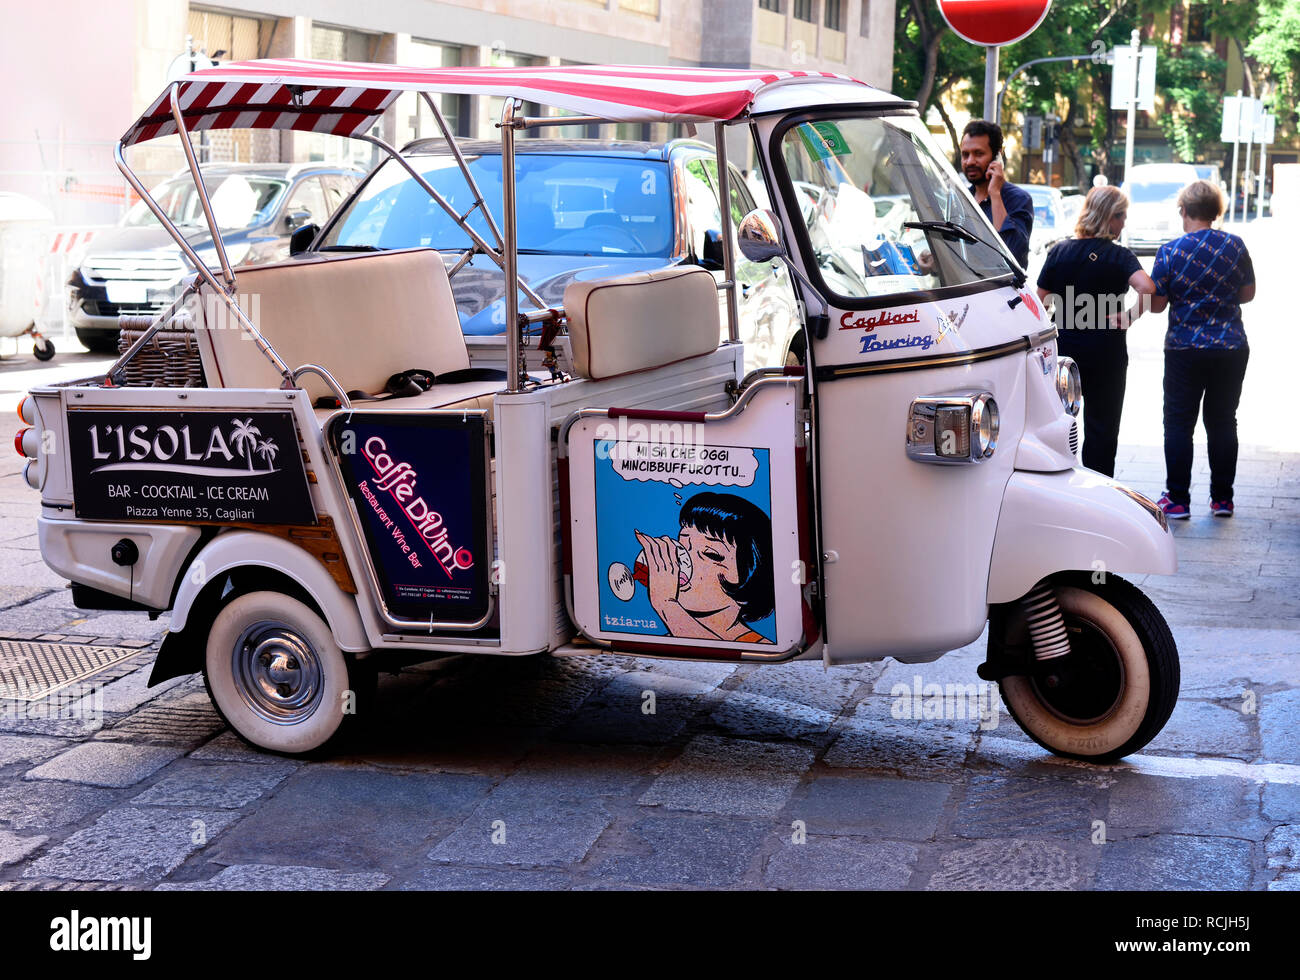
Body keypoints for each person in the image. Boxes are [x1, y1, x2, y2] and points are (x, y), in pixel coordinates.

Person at [1148, 180, 1255, 518]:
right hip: (1230, 345)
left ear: (1183, 210)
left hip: (1184, 349)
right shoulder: (1235, 246)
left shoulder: (1170, 251)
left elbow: (1157, 304)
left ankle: (1178, 499)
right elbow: (1248, 293)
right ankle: (1223, 498)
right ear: (1216, 210)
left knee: (1179, 423)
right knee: (1223, 420)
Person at [1036, 185, 1156, 477]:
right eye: (1122, 216)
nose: (1124, 223)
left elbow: (1038, 302)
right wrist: (1130, 317)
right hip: (1107, 353)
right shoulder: (1120, 256)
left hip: (1066, 354)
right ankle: (1099, 486)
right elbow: (1148, 289)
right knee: (1103, 426)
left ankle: (1058, 482)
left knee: (1058, 422)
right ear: (1109, 216)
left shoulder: (1059, 252)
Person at [633, 491, 774, 643]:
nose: (683, 560)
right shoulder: (669, 638)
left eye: (710, 554)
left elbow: (722, 654)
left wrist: (666, 604)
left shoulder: (760, 646)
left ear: (750, 577)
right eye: (682, 547)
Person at [960, 120, 1034, 269]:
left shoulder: (1018, 199)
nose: (970, 161)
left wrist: (995, 194)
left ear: (997, 157)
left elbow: (1013, 255)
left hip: (999, 290)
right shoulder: (960, 198)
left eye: (978, 154)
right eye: (965, 154)